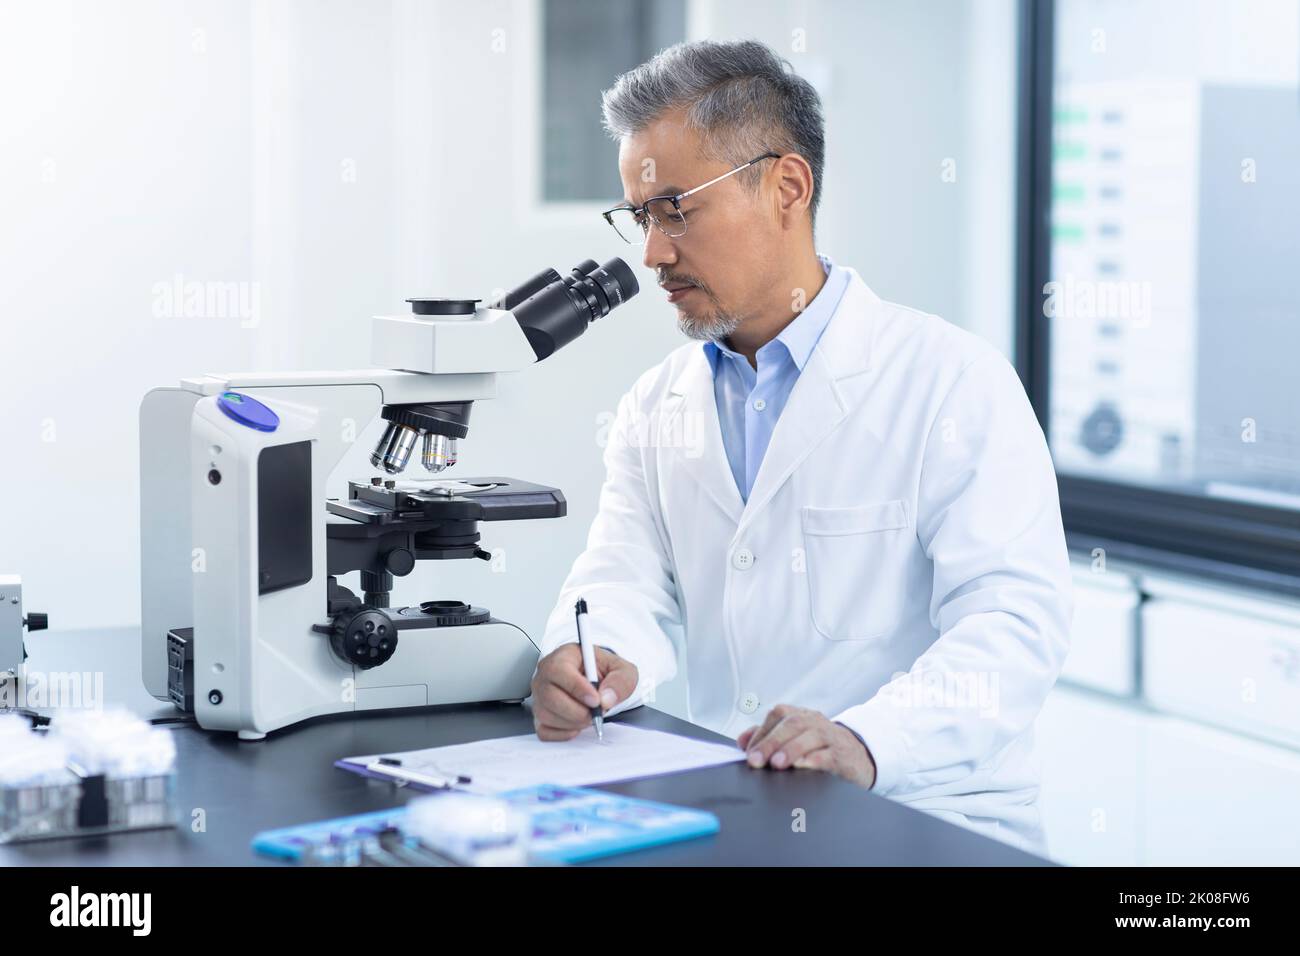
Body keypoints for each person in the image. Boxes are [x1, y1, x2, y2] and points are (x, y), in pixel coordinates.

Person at [528, 38, 1072, 855]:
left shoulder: (952, 383)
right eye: (641, 216)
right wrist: (593, 656)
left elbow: (1013, 626)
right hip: (736, 808)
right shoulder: (656, 404)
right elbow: (622, 582)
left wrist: (867, 740)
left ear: (786, 186)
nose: (652, 254)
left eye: (675, 209)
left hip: (927, 820)